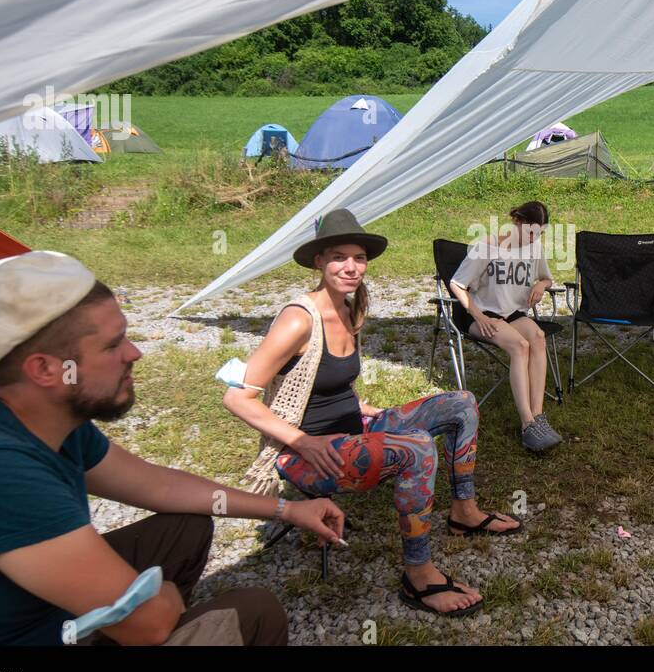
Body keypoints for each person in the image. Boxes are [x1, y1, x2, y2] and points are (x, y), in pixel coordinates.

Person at [0, 251, 326, 646]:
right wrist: (153, 604)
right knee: (254, 611)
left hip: (14, 606)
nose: (134, 354)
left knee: (183, 529)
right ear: (46, 369)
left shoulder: (37, 415)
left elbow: (158, 485)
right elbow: (147, 624)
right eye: (112, 345)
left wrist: (286, 510)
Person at [225, 209, 519, 619]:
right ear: (318, 261)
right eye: (339, 257)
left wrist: (359, 406)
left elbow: (330, 381)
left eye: (359, 258)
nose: (351, 267)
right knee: (416, 448)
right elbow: (238, 397)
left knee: (462, 402)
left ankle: (464, 513)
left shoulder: (351, 307)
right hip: (306, 453)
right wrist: (301, 441)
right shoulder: (299, 319)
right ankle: (418, 575)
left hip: (354, 429)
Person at [448, 201, 563, 451]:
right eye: (531, 231)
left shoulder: (535, 248)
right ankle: (527, 424)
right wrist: (478, 316)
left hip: (512, 313)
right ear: (517, 222)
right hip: (482, 313)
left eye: (540, 233)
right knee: (520, 346)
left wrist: (541, 285)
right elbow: (457, 284)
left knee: (538, 337)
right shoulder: (487, 246)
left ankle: (538, 416)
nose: (534, 237)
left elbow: (547, 277)